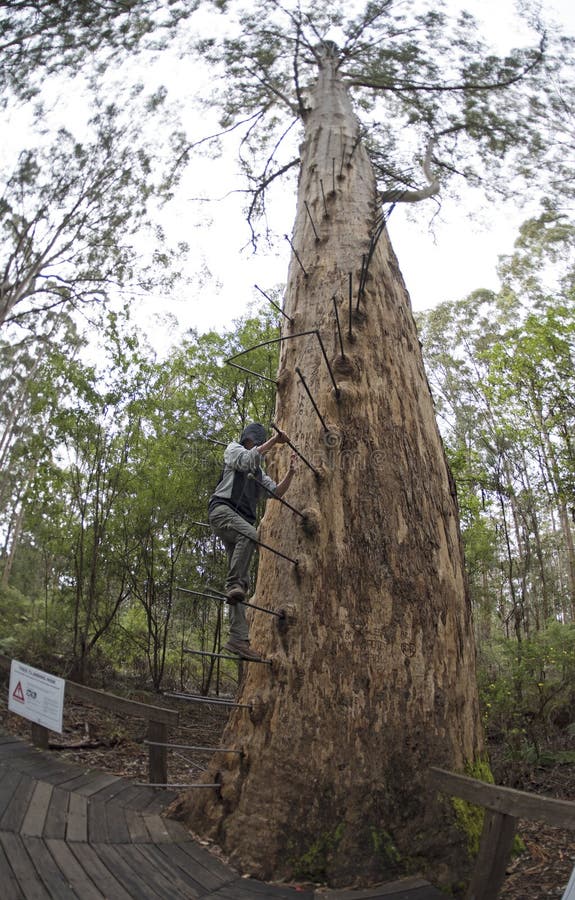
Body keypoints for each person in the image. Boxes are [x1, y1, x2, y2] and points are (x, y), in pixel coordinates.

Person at [208, 423, 297, 661]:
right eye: (255, 442)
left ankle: (238, 638)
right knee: (249, 536)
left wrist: (291, 473)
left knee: (240, 586)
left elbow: (276, 493)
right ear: (248, 439)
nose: (256, 446)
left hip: (239, 526)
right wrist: (274, 442)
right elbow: (247, 460)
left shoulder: (259, 473)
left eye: (257, 443)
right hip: (223, 512)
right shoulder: (234, 450)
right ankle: (233, 583)